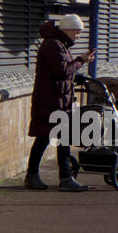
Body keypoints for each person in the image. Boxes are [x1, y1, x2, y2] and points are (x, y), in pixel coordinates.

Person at [26, 13, 96, 192]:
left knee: (47, 138)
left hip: (54, 101)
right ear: (68, 29)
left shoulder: (57, 44)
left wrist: (76, 73)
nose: (77, 36)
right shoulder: (53, 46)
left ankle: (41, 176)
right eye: (77, 32)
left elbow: (61, 71)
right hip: (52, 102)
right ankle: (63, 178)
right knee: (51, 139)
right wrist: (81, 60)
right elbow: (62, 71)